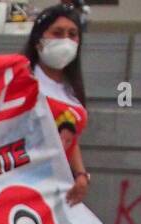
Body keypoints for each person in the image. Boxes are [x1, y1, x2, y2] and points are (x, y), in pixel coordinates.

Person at [22, 5, 90, 207]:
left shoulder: (71, 90)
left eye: (72, 34)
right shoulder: (23, 81)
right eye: (57, 33)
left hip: (58, 191)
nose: (66, 40)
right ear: (38, 40)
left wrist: (80, 174)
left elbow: (69, 137)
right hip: (23, 186)